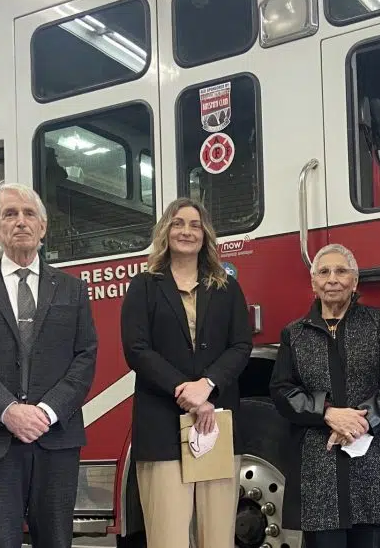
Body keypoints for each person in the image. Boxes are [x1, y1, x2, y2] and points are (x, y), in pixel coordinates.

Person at [0, 181, 98, 548]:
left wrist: (45, 411)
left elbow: (85, 356)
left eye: (30, 214)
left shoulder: (72, 289)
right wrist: (8, 410)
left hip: (56, 440)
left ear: (43, 227)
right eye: (9, 214)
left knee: (57, 542)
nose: (21, 221)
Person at [120, 197, 251, 548]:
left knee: (217, 537)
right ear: (165, 231)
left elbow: (241, 346)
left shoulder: (227, 288)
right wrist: (184, 390)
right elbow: (136, 349)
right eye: (178, 223)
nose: (186, 231)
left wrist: (207, 386)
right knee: (168, 537)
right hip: (161, 425)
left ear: (205, 235)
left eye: (195, 225)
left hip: (215, 421)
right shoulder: (143, 286)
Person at [270, 243, 380, 548]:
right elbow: (282, 391)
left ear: (355, 281)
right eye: (324, 272)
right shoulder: (294, 334)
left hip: (372, 463)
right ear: (313, 284)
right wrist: (327, 413)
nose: (332, 278)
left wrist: (362, 420)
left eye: (341, 271)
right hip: (318, 466)